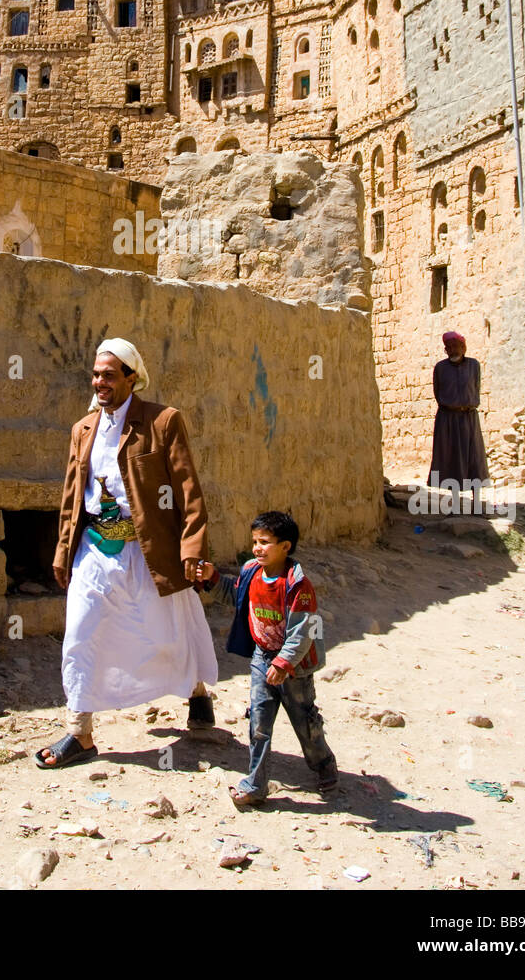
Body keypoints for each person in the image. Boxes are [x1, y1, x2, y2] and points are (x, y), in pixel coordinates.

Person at [35, 338, 219, 768]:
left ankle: (196, 692)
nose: (100, 382)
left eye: (109, 375)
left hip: (149, 550)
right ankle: (79, 732)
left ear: (131, 379)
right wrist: (64, 550)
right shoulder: (83, 429)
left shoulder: (162, 422)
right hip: (94, 551)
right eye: (96, 374)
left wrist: (192, 546)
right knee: (80, 635)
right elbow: (71, 496)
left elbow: (188, 489)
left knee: (171, 628)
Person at [197, 511, 337, 809]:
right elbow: (234, 595)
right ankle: (256, 784)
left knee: (304, 720)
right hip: (262, 659)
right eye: (255, 542)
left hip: (294, 668)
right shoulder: (251, 572)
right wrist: (212, 578)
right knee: (259, 725)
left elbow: (303, 630)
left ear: (285, 547)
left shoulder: (298, 585)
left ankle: (323, 762)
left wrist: (284, 663)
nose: (257, 548)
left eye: (265, 542)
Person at [428, 331, 490, 489]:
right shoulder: (440, 368)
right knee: (449, 461)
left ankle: (476, 503)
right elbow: (438, 392)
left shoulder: (473, 365)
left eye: (456, 347)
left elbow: (475, 388)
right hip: (447, 419)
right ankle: (453, 504)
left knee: (474, 460)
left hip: (468, 418)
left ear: (464, 348)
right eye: (449, 348)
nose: (453, 350)